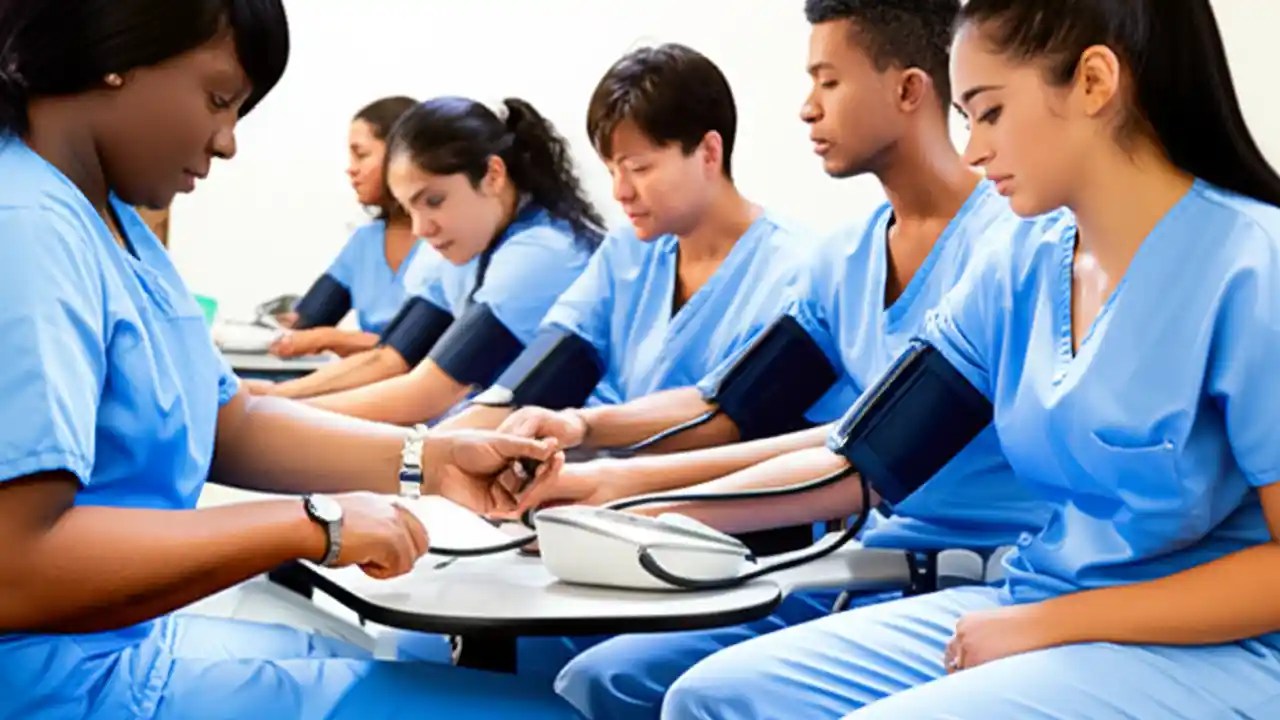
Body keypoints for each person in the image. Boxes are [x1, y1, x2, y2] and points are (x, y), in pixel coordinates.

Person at [663, 0, 1280, 717]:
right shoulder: (1020, 260)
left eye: (989, 113)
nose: (973, 150)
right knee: (713, 697)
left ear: (1093, 81)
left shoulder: (1252, 266)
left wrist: (1051, 625)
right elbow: (864, 457)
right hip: (1041, 598)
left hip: (1213, 644)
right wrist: (654, 517)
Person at [0, 2, 579, 717]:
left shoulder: (109, 223)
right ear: (116, 55)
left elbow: (231, 420)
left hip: (110, 644)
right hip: (56, 685)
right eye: (219, 99)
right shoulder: (28, 227)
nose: (227, 142)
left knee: (361, 651)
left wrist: (431, 461)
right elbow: (15, 563)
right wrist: (313, 523)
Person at [512, 3, 1048, 717]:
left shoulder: (1009, 246)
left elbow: (857, 457)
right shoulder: (844, 258)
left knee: (700, 694)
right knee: (605, 677)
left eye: (829, 81)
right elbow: (729, 404)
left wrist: (637, 499)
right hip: (863, 559)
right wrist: (584, 432)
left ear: (908, 89)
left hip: (972, 571)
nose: (806, 108)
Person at [436, 43, 816, 456]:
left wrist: (587, 431)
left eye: (639, 168)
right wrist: (425, 454)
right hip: (614, 483)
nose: (620, 191)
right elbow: (540, 377)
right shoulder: (627, 254)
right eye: (612, 171)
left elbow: (728, 418)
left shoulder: (794, 270)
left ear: (709, 152)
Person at [264, 96, 606, 425]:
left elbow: (429, 392)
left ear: (493, 175)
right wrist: (274, 397)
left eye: (434, 201)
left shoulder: (543, 252)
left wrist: (271, 414)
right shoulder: (464, 247)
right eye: (409, 208)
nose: (420, 229)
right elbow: (391, 358)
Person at [271, 95, 427, 358]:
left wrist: (330, 338)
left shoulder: (449, 242)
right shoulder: (364, 242)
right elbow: (307, 321)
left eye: (361, 155)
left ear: (403, 156)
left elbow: (429, 347)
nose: (351, 169)